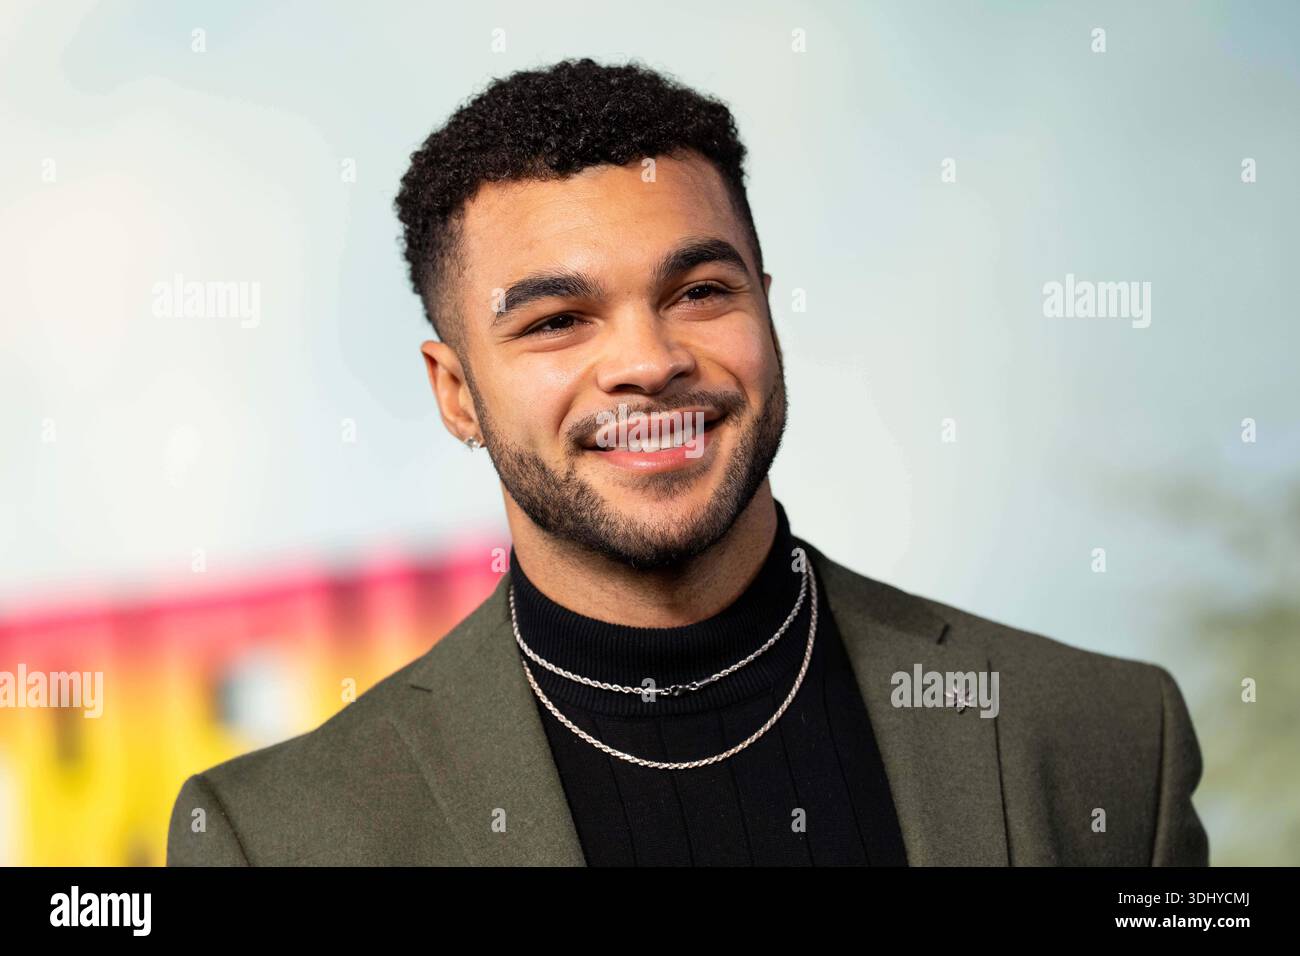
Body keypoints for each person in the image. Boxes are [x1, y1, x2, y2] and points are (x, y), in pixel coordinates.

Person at [167, 57, 1209, 866]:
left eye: (699, 292)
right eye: (557, 320)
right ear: (456, 393)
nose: (649, 362)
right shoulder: (279, 837)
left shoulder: (1098, 736)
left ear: (765, 299)